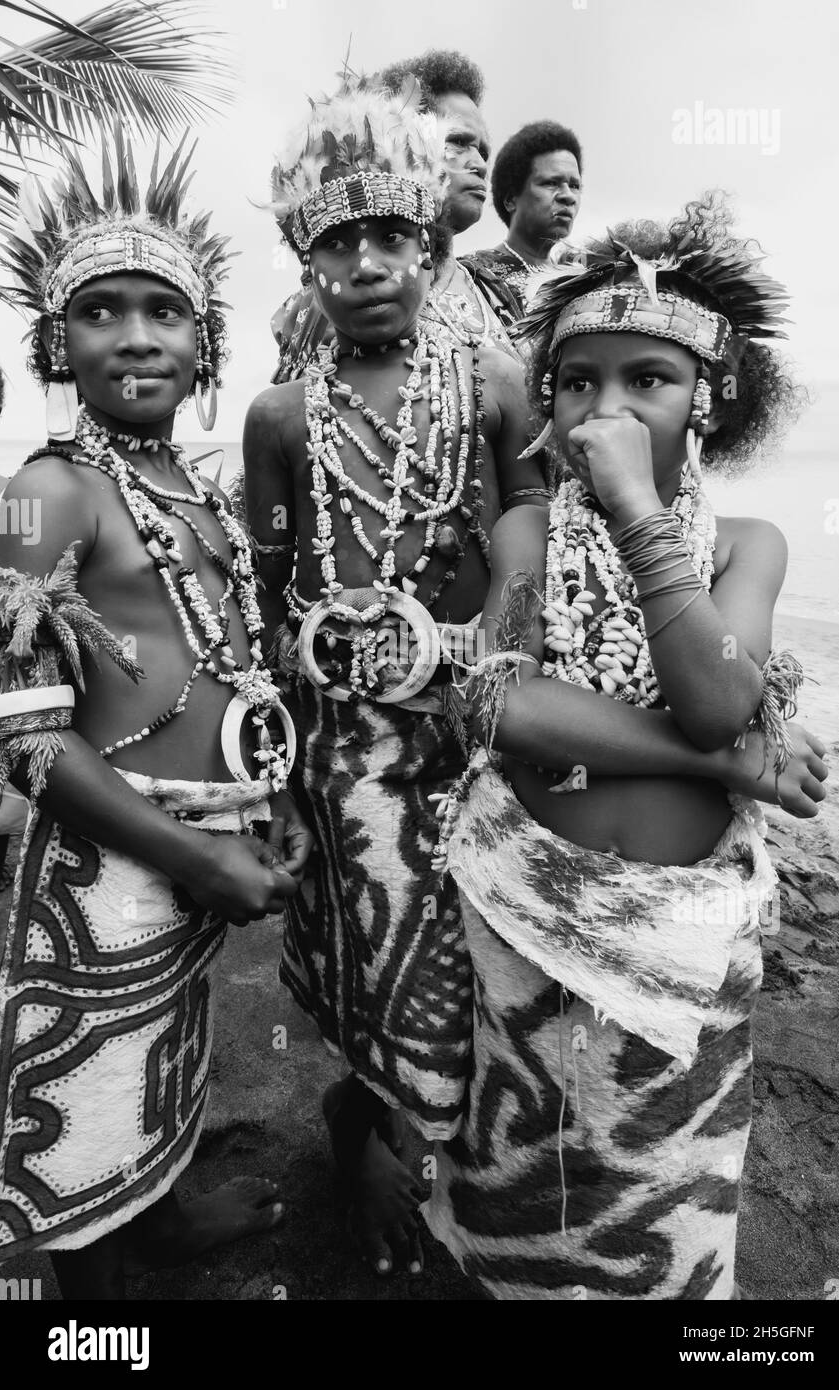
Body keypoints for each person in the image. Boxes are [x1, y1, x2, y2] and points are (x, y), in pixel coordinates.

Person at [423, 194, 828, 1299]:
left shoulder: (746, 544)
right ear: (545, 402)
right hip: (526, 923)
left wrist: (639, 514)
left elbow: (714, 696)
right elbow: (502, 705)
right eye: (575, 381)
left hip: (682, 940)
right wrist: (723, 762)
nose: (604, 405)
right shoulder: (519, 533)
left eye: (644, 380)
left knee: (665, 1193)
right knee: (526, 1177)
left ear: (709, 401)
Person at [243, 76, 550, 1278]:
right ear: (307, 263)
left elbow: (526, 509)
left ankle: (437, 1153)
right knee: (377, 951)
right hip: (347, 743)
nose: (366, 263)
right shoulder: (279, 414)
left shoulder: (490, 379)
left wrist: (493, 641)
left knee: (474, 950)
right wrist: (316, 648)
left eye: (390, 238)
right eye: (336, 243)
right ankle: (368, 1127)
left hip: (469, 722)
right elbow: (270, 591)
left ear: (430, 247)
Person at [0, 128, 312, 1299]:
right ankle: (99, 1292)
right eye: (101, 313)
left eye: (164, 314)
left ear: (203, 342)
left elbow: (228, 661)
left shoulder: (201, 490)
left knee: (167, 1055)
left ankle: (163, 1214)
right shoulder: (47, 490)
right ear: (56, 341)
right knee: (92, 1086)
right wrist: (189, 853)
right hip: (109, 859)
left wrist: (254, 816)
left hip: (205, 831)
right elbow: (25, 736)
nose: (136, 338)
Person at [268, 51, 519, 387]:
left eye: (483, 150)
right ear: (403, 145)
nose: (480, 164)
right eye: (459, 142)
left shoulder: (496, 291)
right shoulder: (333, 305)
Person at [467, 120, 583, 315]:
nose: (568, 196)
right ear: (511, 200)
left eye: (574, 186)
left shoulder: (579, 278)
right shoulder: (473, 275)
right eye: (551, 183)